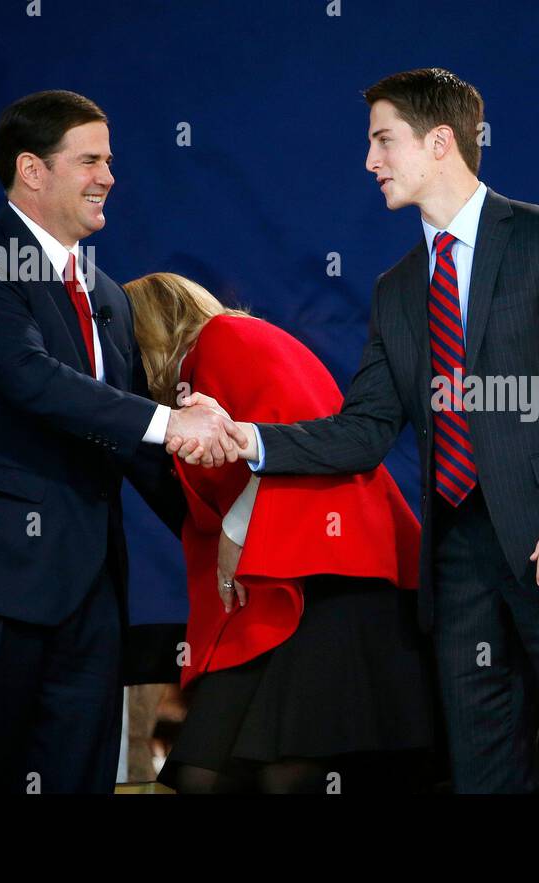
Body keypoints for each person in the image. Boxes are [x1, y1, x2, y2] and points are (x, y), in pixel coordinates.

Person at [173, 68, 539, 793]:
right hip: (457, 561)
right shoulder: (397, 288)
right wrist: (250, 439)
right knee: (482, 770)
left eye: (383, 140)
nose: (371, 161)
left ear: (440, 142)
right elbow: (363, 430)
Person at [0, 91, 245, 794]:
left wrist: (226, 535)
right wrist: (172, 423)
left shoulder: (107, 296)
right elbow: (32, 379)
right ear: (33, 170)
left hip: (89, 600)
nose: (109, 176)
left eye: (110, 160)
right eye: (90, 159)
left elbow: (129, 441)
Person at [123, 272, 433, 794]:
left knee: (282, 772)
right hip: (279, 580)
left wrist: (238, 531)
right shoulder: (195, 378)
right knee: (215, 772)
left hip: (332, 572)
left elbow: (303, 429)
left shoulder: (226, 338)